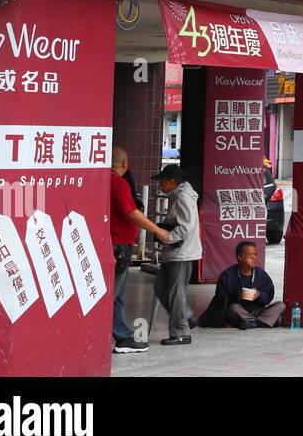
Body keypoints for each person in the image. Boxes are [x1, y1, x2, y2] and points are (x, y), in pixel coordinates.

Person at [109, 148, 170, 354]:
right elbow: (132, 213)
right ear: (124, 164)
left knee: (116, 296)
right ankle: (110, 335)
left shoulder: (105, 181)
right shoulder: (117, 183)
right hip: (118, 247)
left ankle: (122, 336)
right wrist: (159, 230)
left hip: (114, 246)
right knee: (111, 295)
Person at [152, 164, 202, 345]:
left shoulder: (182, 198)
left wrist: (166, 236)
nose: (160, 186)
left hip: (181, 253)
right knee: (161, 287)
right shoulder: (177, 196)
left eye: (163, 182)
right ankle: (186, 316)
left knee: (175, 293)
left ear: (172, 182)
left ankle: (181, 332)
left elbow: (185, 228)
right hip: (174, 253)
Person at [212, 241, 285, 330]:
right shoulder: (227, 275)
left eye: (255, 255)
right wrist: (238, 294)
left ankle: (252, 323)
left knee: (281, 305)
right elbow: (220, 301)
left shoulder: (261, 274)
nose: (254, 258)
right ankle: (263, 322)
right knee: (233, 308)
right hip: (238, 311)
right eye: (250, 256)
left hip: (257, 311)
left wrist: (258, 295)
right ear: (240, 257)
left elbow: (269, 296)